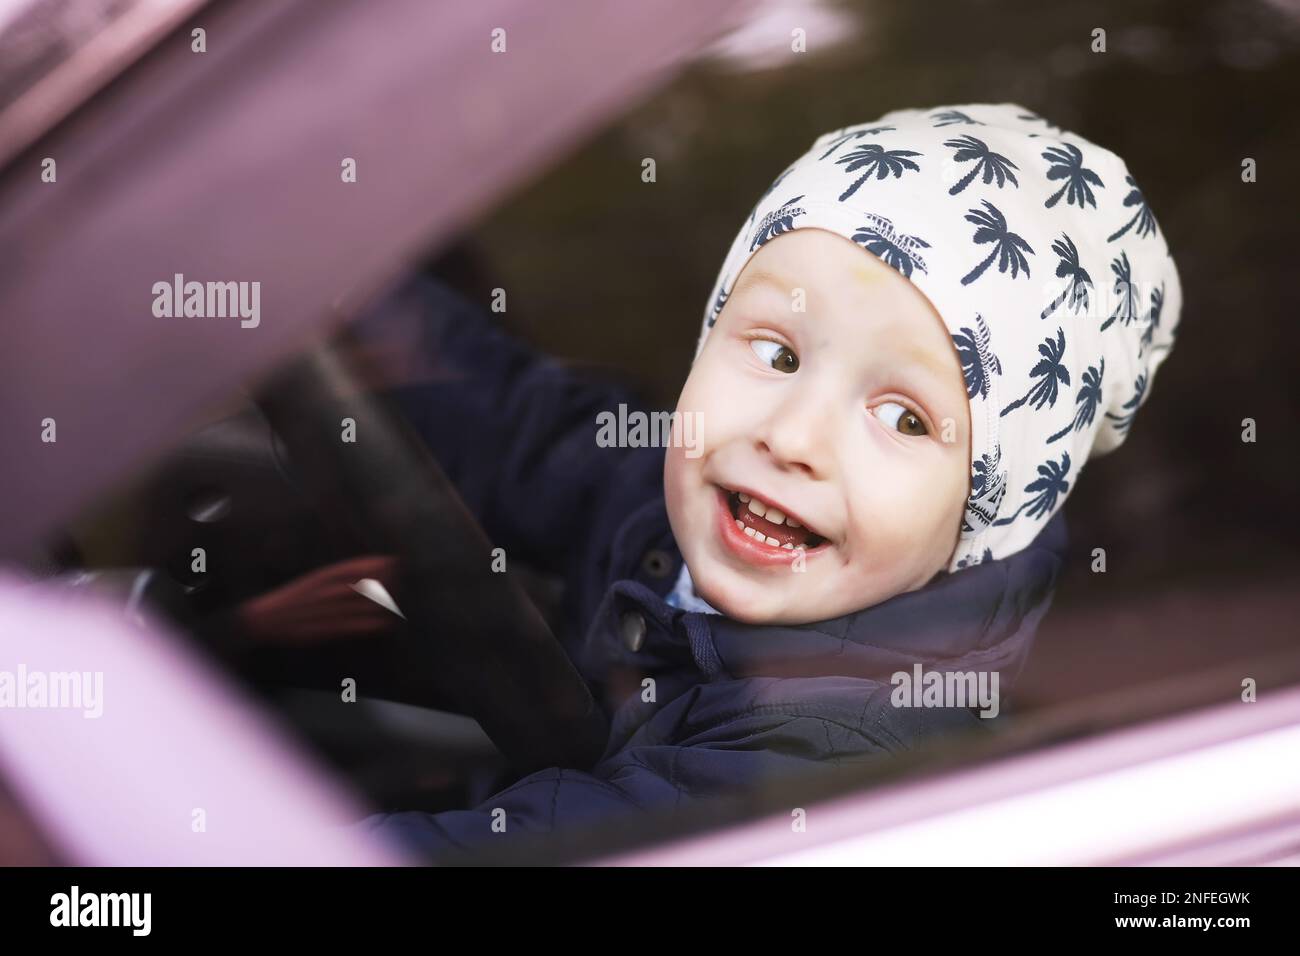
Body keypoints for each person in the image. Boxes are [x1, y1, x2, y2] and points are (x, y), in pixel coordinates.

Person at [348, 103, 1180, 858]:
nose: (789, 437)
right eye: (777, 354)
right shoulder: (689, 502)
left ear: (987, 511)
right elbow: (516, 420)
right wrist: (324, 273)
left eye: (903, 418)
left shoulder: (833, 756)